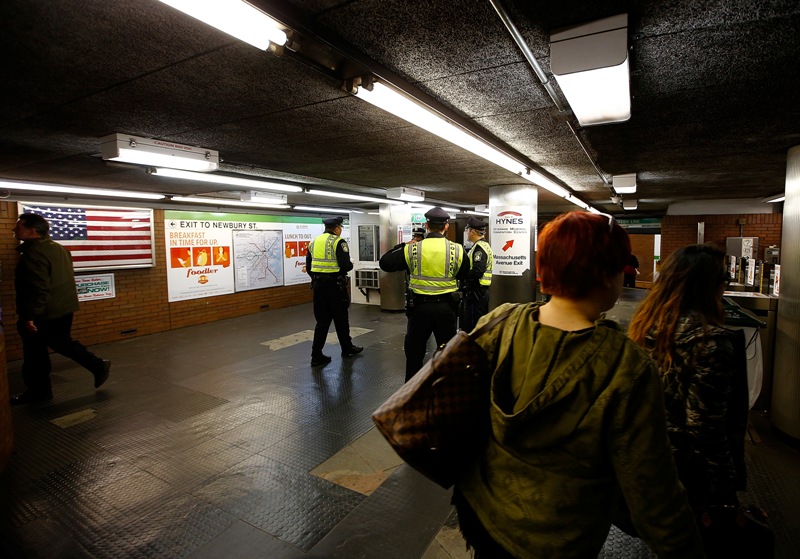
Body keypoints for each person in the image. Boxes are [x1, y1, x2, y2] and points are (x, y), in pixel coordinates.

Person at [453, 211, 704, 559]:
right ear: (606, 275)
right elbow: (652, 490)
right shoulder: (625, 365)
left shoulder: (501, 321)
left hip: (482, 513)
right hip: (557, 539)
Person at [627, 244, 749, 552]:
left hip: (650, 455)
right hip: (690, 470)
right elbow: (705, 428)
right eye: (723, 279)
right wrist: (726, 490)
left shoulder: (645, 326)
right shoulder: (710, 342)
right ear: (708, 285)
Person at [10, 213, 111, 405]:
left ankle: (39, 392)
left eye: (19, 226)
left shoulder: (33, 253)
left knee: (35, 354)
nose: (14, 229)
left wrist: (30, 315)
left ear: (33, 230)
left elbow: (38, 287)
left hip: (44, 312)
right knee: (61, 343)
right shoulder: (59, 249)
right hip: (63, 308)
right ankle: (97, 365)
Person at [379, 207, 469, 381]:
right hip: (446, 309)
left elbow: (385, 263)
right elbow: (464, 274)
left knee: (414, 355)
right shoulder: (457, 249)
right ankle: (446, 390)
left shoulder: (412, 249)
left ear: (427, 226)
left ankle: (412, 392)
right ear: (446, 226)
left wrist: (404, 245)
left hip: (419, 309)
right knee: (448, 354)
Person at [306, 216, 363, 367]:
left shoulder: (314, 242)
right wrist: (350, 264)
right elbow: (345, 265)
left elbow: (309, 266)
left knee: (322, 322)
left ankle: (316, 355)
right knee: (341, 320)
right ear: (337, 228)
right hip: (335, 288)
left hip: (319, 287)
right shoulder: (338, 242)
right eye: (340, 228)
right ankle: (347, 348)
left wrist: (317, 278)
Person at [461, 216, 493, 332]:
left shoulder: (479, 249)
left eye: (468, 230)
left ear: (473, 231)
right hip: (481, 291)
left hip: (477, 291)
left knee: (473, 325)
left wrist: (462, 274)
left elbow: (477, 271)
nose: (467, 233)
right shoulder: (484, 246)